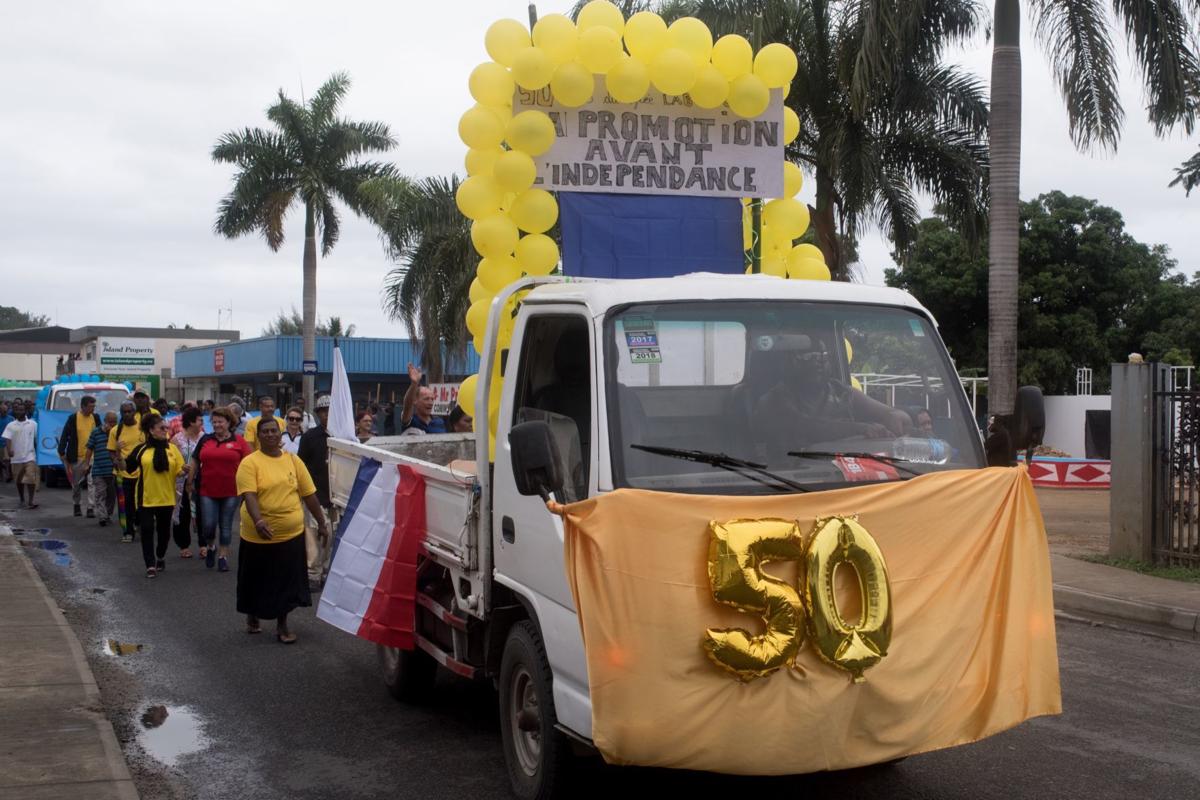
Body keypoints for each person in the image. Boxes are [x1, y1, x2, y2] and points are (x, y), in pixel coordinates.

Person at [236, 416, 330, 643]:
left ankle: (282, 624)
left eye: (273, 431)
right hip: (257, 535)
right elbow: (249, 495)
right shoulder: (250, 463)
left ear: (280, 435)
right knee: (256, 578)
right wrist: (259, 522)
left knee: (286, 580)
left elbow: (309, 494)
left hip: (290, 534)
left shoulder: (293, 461)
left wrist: (321, 523)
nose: (270, 435)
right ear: (258, 437)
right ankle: (252, 614)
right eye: (265, 432)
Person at [754, 335, 911, 457]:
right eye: (810, 356)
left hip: (844, 477)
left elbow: (891, 413)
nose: (819, 362)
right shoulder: (773, 399)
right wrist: (861, 429)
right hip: (788, 478)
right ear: (791, 362)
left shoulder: (840, 391)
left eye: (824, 355)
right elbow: (806, 427)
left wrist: (895, 416)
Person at [187, 406, 250, 572]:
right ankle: (211, 547)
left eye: (220, 421)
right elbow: (194, 460)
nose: (217, 425)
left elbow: (249, 464)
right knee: (208, 525)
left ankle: (223, 556)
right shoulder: (205, 440)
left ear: (229, 422)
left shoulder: (239, 441)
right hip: (207, 490)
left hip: (231, 491)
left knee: (226, 525)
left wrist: (248, 488)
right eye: (214, 422)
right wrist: (189, 480)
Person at [127, 415, 184, 578]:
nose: (166, 431)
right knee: (146, 530)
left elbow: (178, 470)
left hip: (166, 497)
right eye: (162, 428)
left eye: (166, 428)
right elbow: (128, 467)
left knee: (164, 533)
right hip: (146, 498)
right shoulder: (141, 450)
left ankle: (160, 555)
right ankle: (150, 565)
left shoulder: (172, 449)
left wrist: (184, 471)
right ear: (151, 430)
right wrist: (117, 454)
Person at [297, 395, 333, 588]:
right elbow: (301, 466)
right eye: (323, 411)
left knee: (331, 536)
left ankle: (327, 572)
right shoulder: (310, 437)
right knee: (312, 535)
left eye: (330, 410)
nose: (327, 414)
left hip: (336, 495)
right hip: (314, 493)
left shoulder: (344, 436)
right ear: (318, 414)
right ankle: (312, 573)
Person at [57, 394, 101, 518]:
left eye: (94, 406)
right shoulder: (73, 418)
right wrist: (61, 451)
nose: (93, 409)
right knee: (76, 484)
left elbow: (101, 434)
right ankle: (77, 505)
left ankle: (90, 507)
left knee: (92, 483)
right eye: (91, 406)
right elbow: (65, 435)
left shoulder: (96, 418)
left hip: (92, 457)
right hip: (77, 457)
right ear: (83, 406)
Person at [109, 401, 146, 543]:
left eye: (130, 411)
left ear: (134, 412)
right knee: (126, 505)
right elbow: (111, 451)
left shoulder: (143, 429)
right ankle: (127, 531)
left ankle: (140, 525)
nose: (127, 414)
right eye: (124, 412)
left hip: (142, 473)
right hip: (123, 474)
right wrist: (116, 460)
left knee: (142, 504)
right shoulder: (115, 431)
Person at [171, 407, 205, 559]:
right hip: (182, 481)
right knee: (183, 514)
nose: (202, 423)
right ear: (191, 422)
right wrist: (181, 468)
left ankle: (204, 544)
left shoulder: (205, 438)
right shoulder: (177, 439)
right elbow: (171, 460)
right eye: (200, 420)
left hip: (202, 481)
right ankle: (183, 545)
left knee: (203, 513)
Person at [82, 412, 118, 527]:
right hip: (99, 469)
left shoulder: (118, 433)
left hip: (113, 471)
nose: (112, 424)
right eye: (110, 421)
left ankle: (108, 514)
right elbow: (89, 449)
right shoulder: (96, 432)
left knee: (111, 495)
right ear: (105, 421)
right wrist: (86, 464)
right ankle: (102, 516)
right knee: (100, 493)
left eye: (114, 422)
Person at [3, 401, 39, 509]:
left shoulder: (33, 424)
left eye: (21, 410)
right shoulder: (11, 425)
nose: (19, 412)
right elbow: (8, 439)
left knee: (31, 478)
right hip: (16, 458)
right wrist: (9, 451)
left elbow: (38, 438)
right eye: (17, 410)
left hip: (30, 456)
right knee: (19, 481)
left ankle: (31, 501)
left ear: (26, 411)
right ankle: (22, 499)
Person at [401, 363, 447, 434]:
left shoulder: (439, 422)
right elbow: (407, 406)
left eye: (432, 399)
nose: (430, 403)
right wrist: (414, 384)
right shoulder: (411, 420)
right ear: (415, 401)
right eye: (426, 399)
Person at [0, 401, 15, 483]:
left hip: (7, 442)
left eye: (6, 410)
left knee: (7, 460)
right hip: (0, 442)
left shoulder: (11, 419)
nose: (4, 411)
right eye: (2, 410)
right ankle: (2, 475)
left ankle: (8, 475)